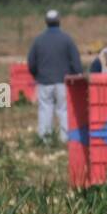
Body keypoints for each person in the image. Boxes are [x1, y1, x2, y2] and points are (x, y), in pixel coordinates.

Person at [26, 9, 82, 142]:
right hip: (63, 82)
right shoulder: (67, 39)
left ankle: (45, 139)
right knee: (63, 111)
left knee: (45, 110)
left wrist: (36, 75)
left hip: (44, 82)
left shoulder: (38, 40)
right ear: (59, 21)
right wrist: (76, 74)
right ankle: (65, 139)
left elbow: (31, 62)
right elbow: (75, 61)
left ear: (46, 22)